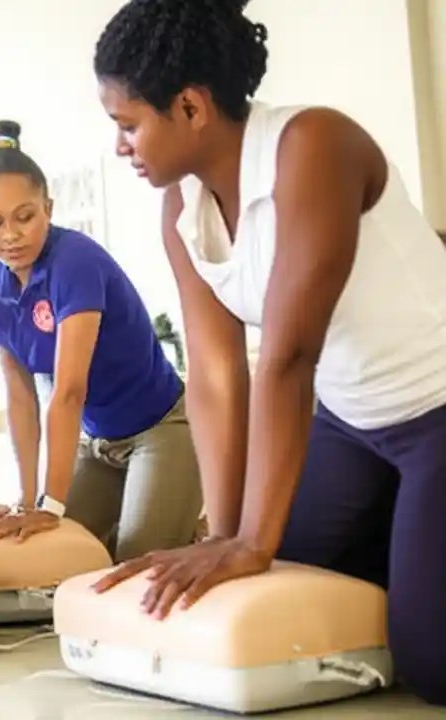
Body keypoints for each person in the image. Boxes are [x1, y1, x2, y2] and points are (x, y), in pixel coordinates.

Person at [90, 0, 446, 705]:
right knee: (273, 589)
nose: (121, 147)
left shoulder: (314, 145)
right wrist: (225, 535)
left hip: (437, 409)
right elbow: (218, 375)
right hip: (351, 425)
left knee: (433, 665)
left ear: (190, 107)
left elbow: (287, 355)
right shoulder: (180, 208)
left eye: (128, 125)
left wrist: (254, 538)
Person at [0, 120, 202, 561]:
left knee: (133, 563)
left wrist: (51, 504)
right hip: (95, 448)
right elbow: (21, 398)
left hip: (161, 430)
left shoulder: (74, 260)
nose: (10, 235)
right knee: (47, 557)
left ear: (48, 208)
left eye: (24, 216)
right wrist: (27, 498)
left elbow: (69, 388)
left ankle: (189, 528)